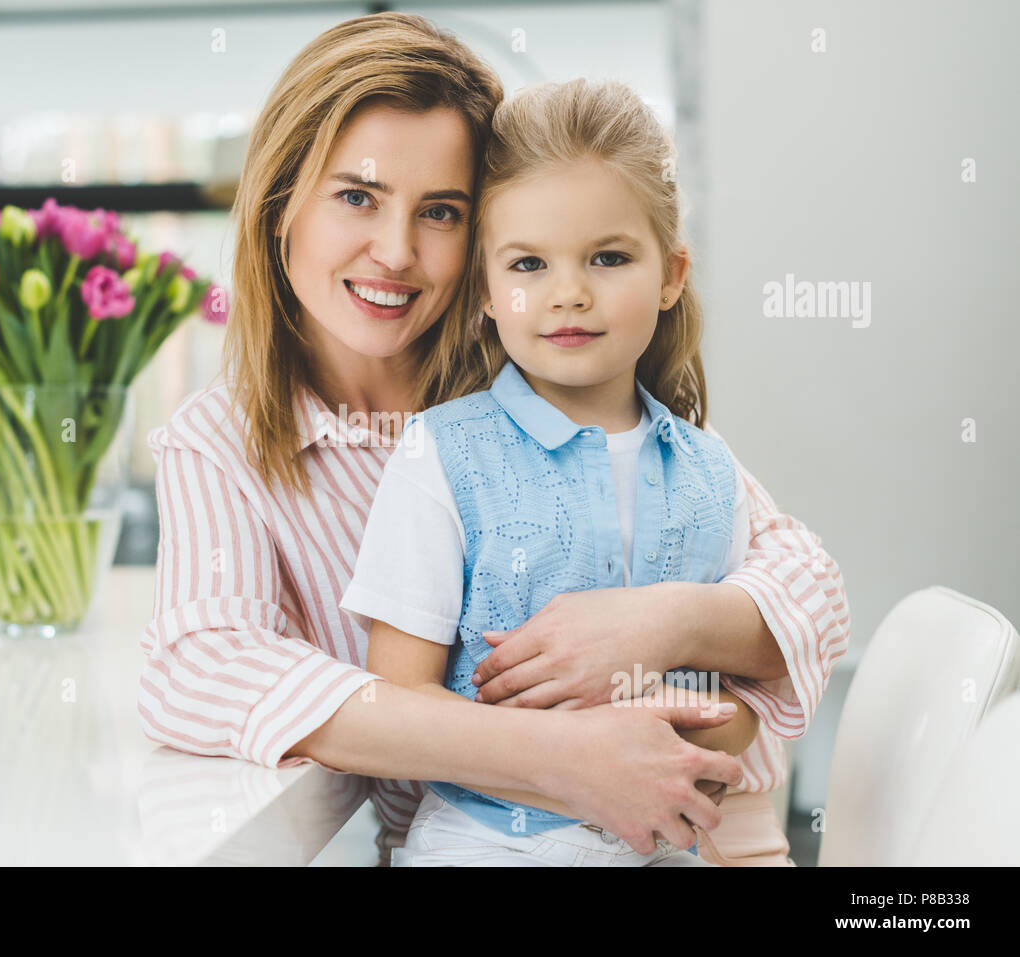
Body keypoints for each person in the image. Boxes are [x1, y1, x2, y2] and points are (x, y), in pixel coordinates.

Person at [139, 12, 849, 867]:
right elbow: (205, 667)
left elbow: (807, 583)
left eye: (440, 211)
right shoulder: (218, 445)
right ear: (282, 203)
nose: (396, 251)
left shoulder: (551, 368)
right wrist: (564, 759)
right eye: (357, 196)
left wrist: (658, 625)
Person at [347, 76, 772, 867]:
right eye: (529, 263)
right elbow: (396, 701)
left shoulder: (713, 470)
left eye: (609, 257)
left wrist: (688, 727)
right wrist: (573, 754)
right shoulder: (440, 455)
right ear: (484, 288)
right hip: (485, 849)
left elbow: (744, 696)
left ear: (672, 275)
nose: (569, 293)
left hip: (668, 846)